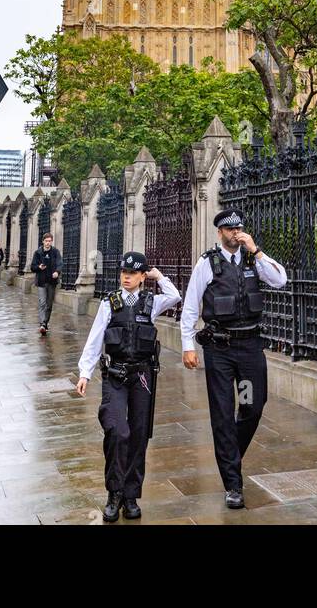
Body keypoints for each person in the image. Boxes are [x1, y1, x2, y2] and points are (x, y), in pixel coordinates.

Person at [181, 209, 287, 510]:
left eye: (238, 228)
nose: (234, 233)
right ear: (220, 233)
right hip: (220, 350)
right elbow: (190, 307)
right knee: (223, 412)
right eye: (229, 230)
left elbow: (281, 280)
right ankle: (233, 483)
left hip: (250, 348)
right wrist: (188, 346)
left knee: (252, 406)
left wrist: (257, 250)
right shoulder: (208, 263)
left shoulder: (254, 260)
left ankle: (230, 455)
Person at [76, 250, 180, 522]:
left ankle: (131, 495)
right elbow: (95, 338)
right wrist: (84, 373)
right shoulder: (109, 303)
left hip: (142, 377)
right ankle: (114, 492)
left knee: (138, 435)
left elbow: (175, 296)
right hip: (115, 375)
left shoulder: (150, 301)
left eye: (132, 273)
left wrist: (158, 275)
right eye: (123, 272)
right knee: (116, 430)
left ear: (142, 276)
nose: (126, 277)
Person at [30, 232, 62, 334]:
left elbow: (60, 263)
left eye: (50, 241)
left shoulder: (55, 252)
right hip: (41, 281)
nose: (48, 243)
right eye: (46, 241)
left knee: (49, 304)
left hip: (52, 282)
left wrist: (57, 271)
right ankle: (42, 324)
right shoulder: (38, 253)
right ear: (43, 241)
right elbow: (32, 267)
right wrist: (39, 267)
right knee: (42, 303)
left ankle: (45, 323)